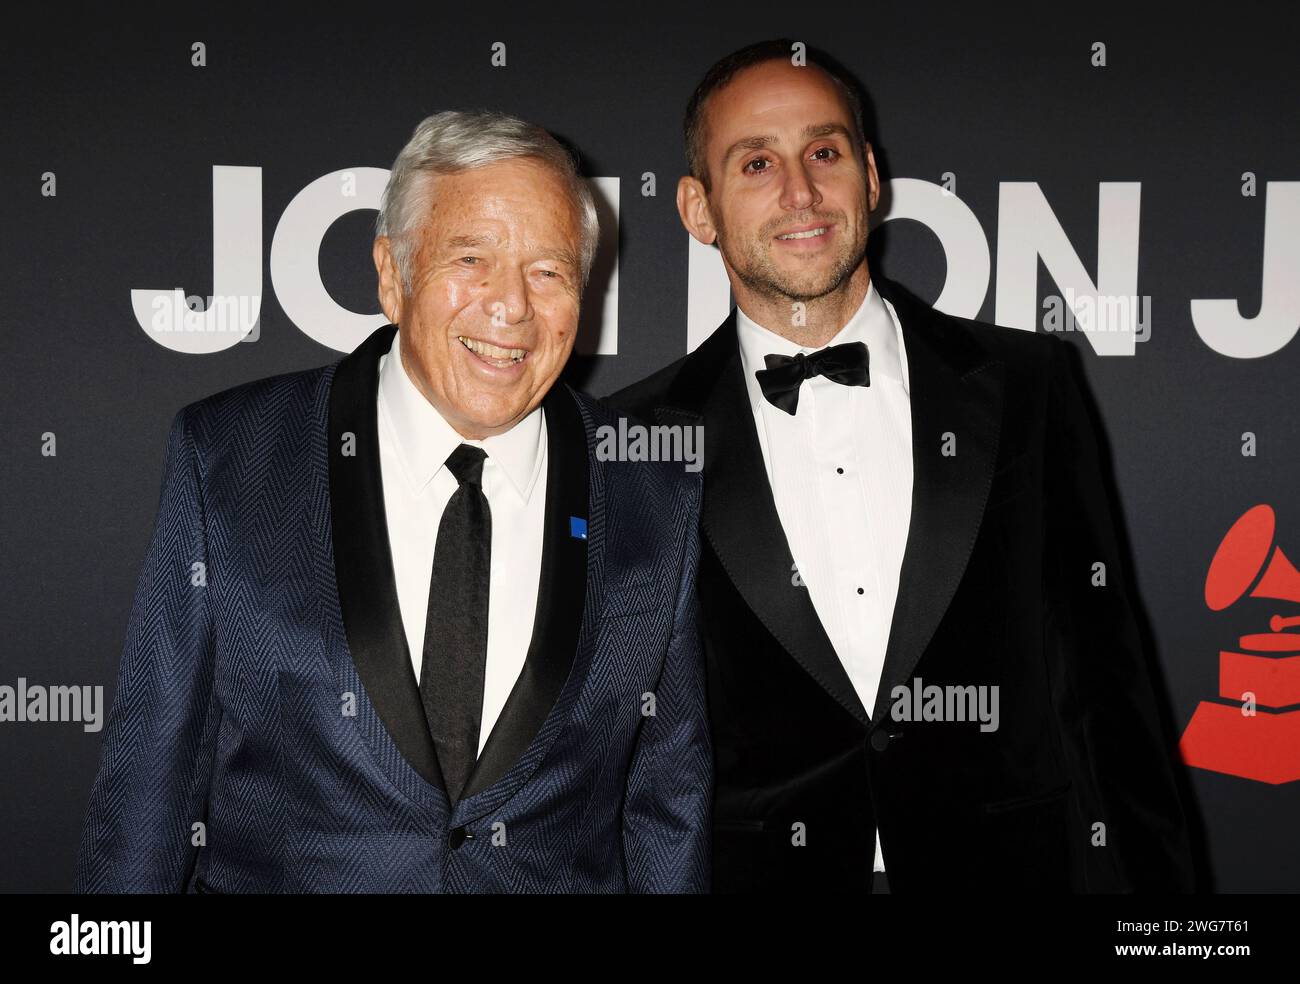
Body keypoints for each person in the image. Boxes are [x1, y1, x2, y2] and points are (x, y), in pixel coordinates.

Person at [608, 39, 1195, 893]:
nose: (800, 191)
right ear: (698, 210)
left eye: (824, 152)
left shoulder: (1027, 388)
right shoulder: (632, 439)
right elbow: (615, 741)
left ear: (871, 177)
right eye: (757, 163)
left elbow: (1106, 685)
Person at [75, 110, 710, 893]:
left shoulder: (651, 490)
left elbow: (666, 801)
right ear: (391, 275)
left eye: (549, 271)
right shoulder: (232, 457)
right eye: (470, 257)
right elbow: (152, 782)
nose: (510, 305)